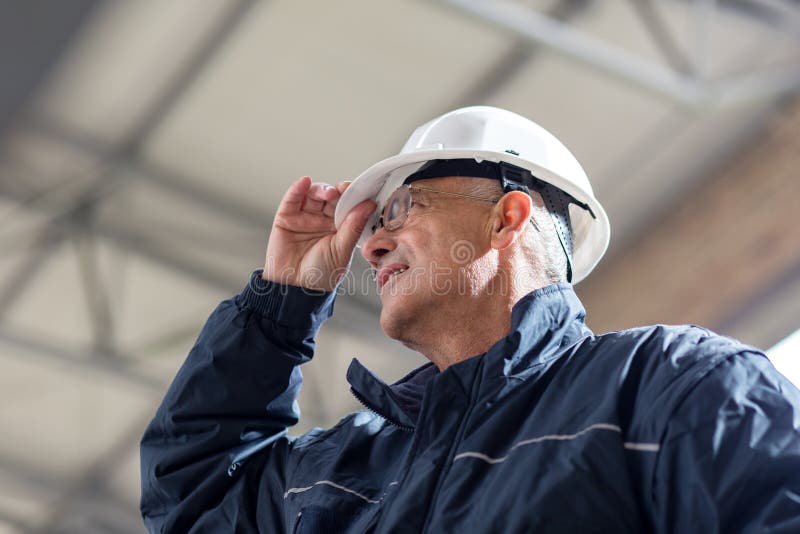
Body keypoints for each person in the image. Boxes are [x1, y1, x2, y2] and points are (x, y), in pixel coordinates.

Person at [140, 106, 800, 533]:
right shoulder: (341, 467)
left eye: (404, 211)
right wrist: (282, 302)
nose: (369, 245)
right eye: (374, 223)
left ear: (504, 218)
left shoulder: (668, 389)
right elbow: (192, 503)